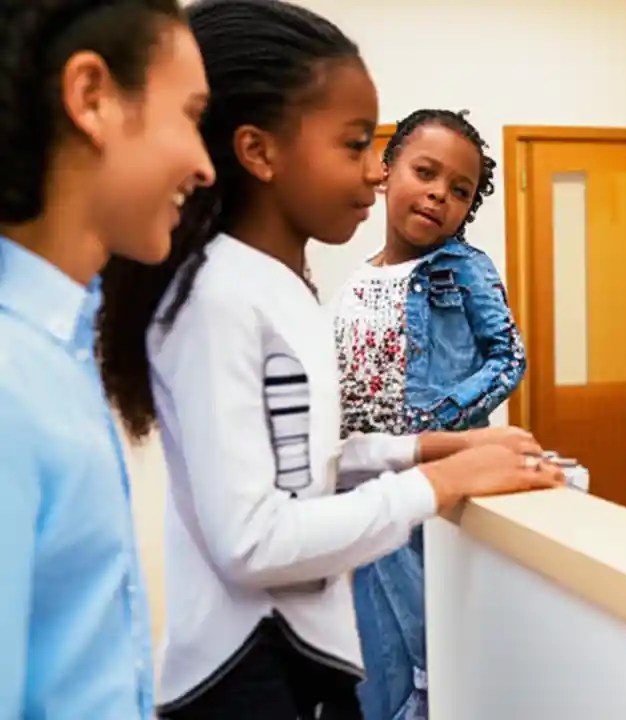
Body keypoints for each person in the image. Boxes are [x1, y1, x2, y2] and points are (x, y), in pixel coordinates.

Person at [94, 1, 561, 718]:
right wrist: (437, 483)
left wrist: (447, 443)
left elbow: (314, 456)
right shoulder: (219, 298)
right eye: (355, 147)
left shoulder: (283, 288)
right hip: (246, 675)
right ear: (259, 152)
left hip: (303, 657)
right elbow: (252, 540)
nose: (377, 175)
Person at [0, 1, 213, 716]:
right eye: (189, 114)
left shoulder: (58, 351)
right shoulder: (10, 379)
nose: (204, 163)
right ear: (93, 97)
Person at [329, 108, 523, 719]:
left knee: (427, 647)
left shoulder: (463, 268)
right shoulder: (357, 277)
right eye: (426, 172)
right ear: (387, 171)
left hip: (432, 476)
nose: (440, 194)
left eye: (460, 190)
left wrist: (441, 418)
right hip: (360, 480)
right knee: (370, 644)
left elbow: (508, 356)